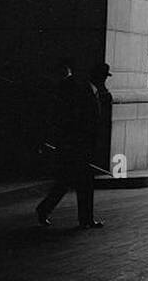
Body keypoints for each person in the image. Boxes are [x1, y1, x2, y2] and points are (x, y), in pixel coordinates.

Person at [36, 62, 104, 229]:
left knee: (67, 181)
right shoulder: (86, 92)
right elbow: (85, 121)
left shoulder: (87, 90)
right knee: (82, 183)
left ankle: (46, 209)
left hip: (74, 145)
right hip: (79, 146)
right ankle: (84, 219)